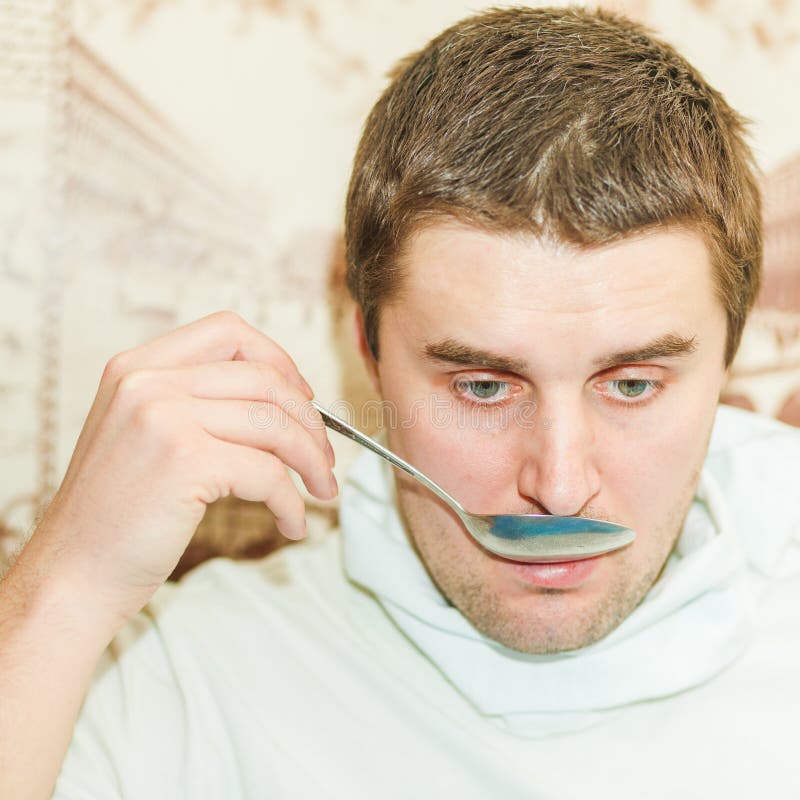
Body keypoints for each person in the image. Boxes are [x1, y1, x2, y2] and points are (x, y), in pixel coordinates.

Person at [2, 5, 799, 799]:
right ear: (369, 352)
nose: (558, 488)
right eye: (482, 387)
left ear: (726, 362)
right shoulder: (177, 676)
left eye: (632, 385)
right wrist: (63, 589)